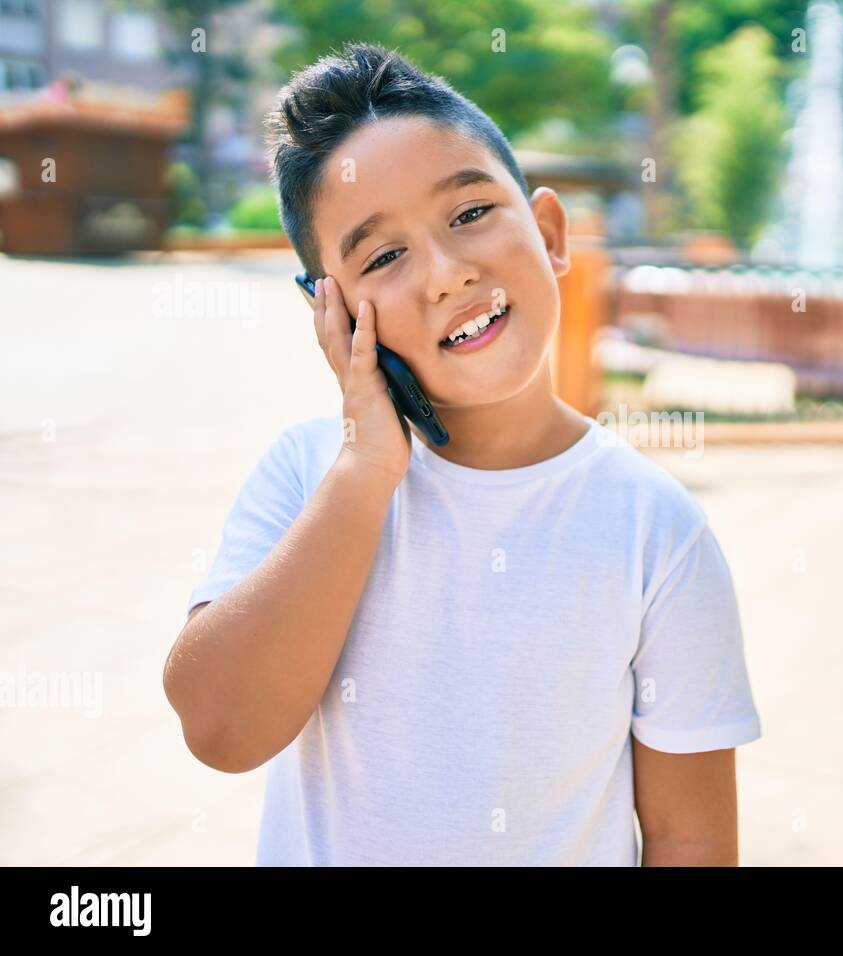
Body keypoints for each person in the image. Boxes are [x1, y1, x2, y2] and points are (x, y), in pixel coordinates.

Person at [162, 42, 761, 866]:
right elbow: (220, 727)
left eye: (471, 213)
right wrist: (366, 470)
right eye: (383, 256)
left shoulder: (655, 530)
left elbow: (688, 836)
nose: (448, 273)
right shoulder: (309, 475)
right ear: (330, 311)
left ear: (550, 232)